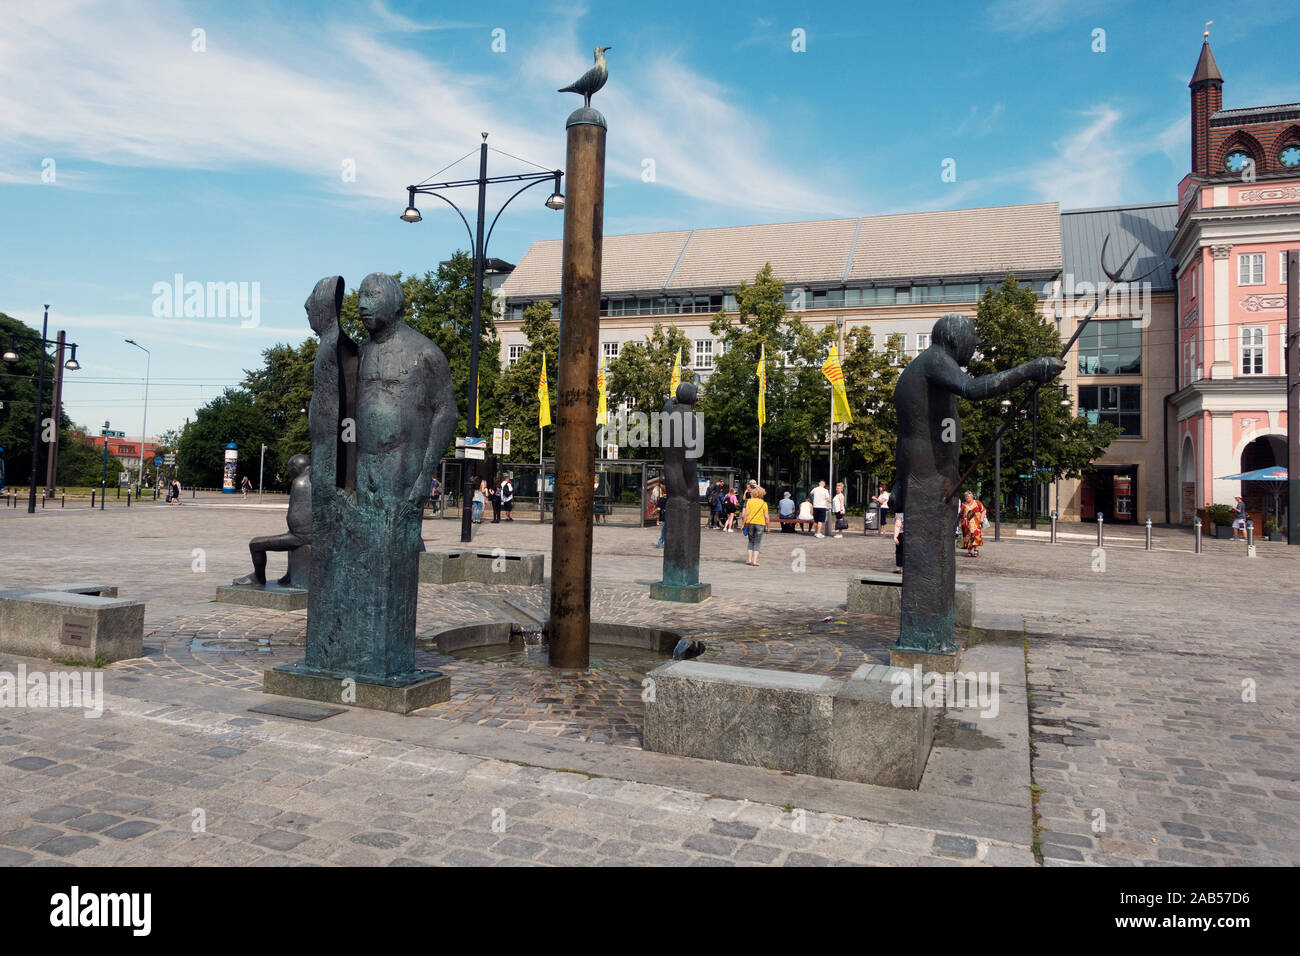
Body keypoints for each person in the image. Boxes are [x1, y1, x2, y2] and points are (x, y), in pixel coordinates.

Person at [743, 486, 769, 566]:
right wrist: (768, 527)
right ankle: (754, 561)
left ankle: (749, 560)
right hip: (760, 524)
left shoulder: (749, 502)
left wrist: (743, 524)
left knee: (750, 541)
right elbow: (766, 517)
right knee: (757, 542)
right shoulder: (764, 503)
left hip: (750, 523)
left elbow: (746, 514)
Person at [959, 490, 987, 556]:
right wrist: (960, 523)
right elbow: (961, 515)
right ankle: (969, 551)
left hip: (976, 523)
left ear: (972, 497)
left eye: (968, 496)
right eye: (966, 497)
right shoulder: (963, 505)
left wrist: (982, 518)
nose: (967, 498)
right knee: (968, 537)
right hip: (966, 524)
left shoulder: (977, 502)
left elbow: (984, 510)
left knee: (976, 536)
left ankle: (976, 550)